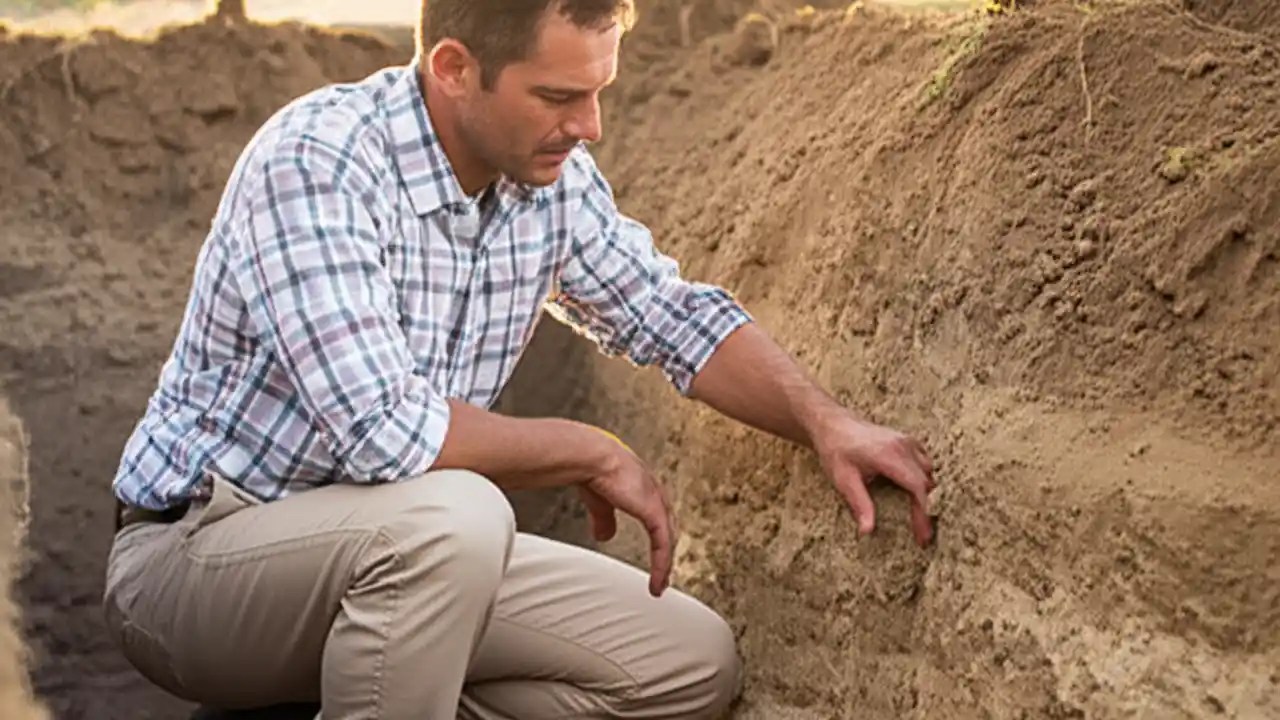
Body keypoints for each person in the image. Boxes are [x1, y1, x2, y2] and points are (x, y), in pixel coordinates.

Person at [103, 0, 937, 717]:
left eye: (598, 93)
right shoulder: (320, 161)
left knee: (685, 664)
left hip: (404, 561)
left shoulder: (552, 180)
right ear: (456, 67)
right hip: (199, 562)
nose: (589, 126)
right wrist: (587, 448)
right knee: (459, 515)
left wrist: (825, 423)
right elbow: (387, 436)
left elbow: (669, 314)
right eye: (558, 96)